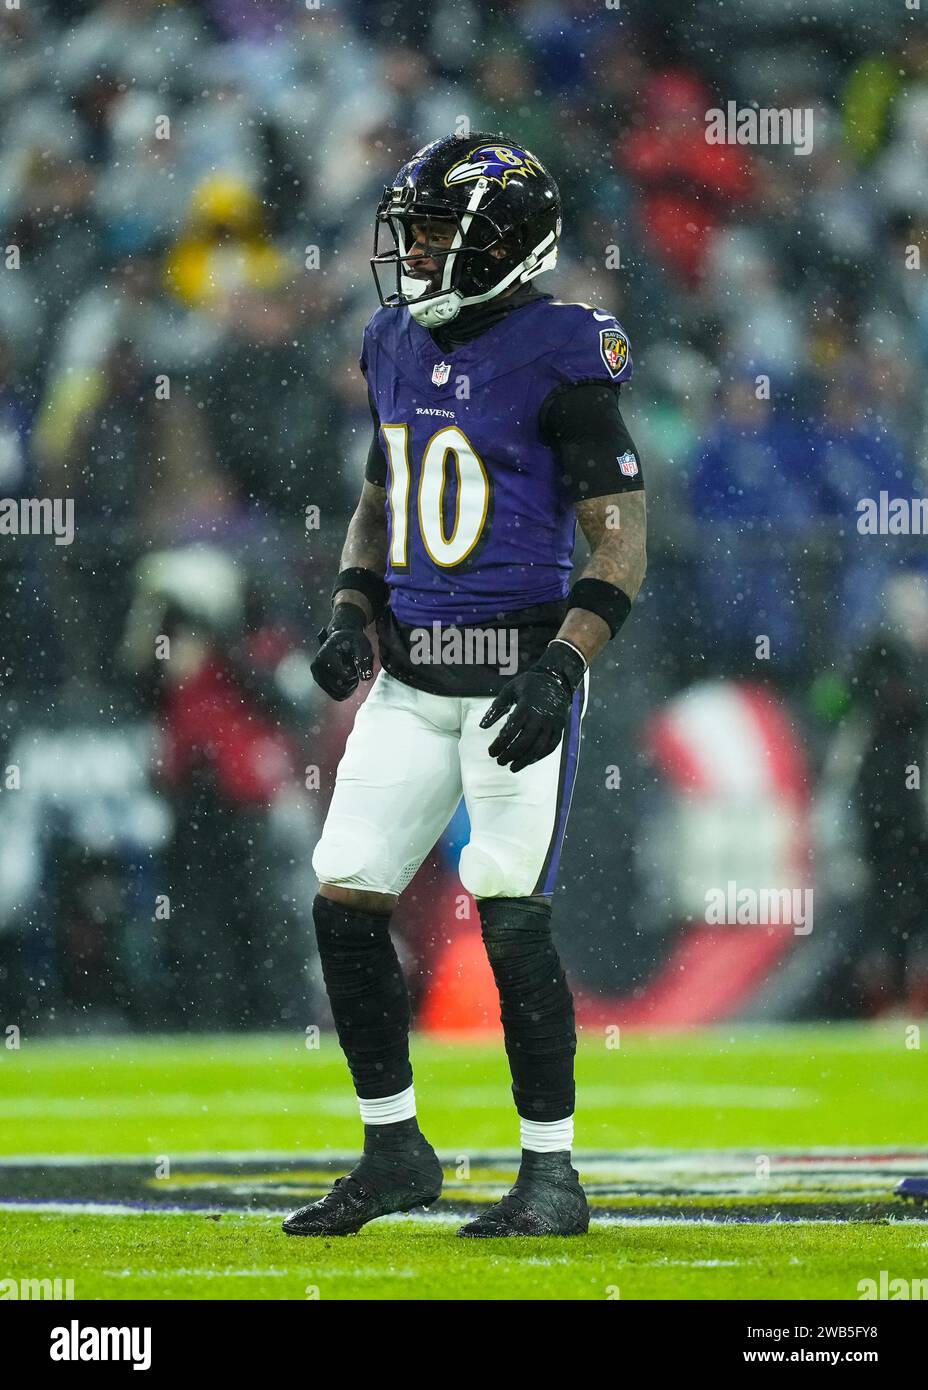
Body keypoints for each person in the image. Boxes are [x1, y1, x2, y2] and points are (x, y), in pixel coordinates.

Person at [285, 134, 647, 1238]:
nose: (417, 254)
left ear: (503, 241)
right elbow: (380, 493)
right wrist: (352, 608)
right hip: (413, 677)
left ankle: (552, 1171)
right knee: (345, 891)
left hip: (512, 678)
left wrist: (560, 670)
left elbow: (619, 541)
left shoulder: (563, 347)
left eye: (439, 231)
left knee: (507, 908)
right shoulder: (392, 341)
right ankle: (394, 1148)